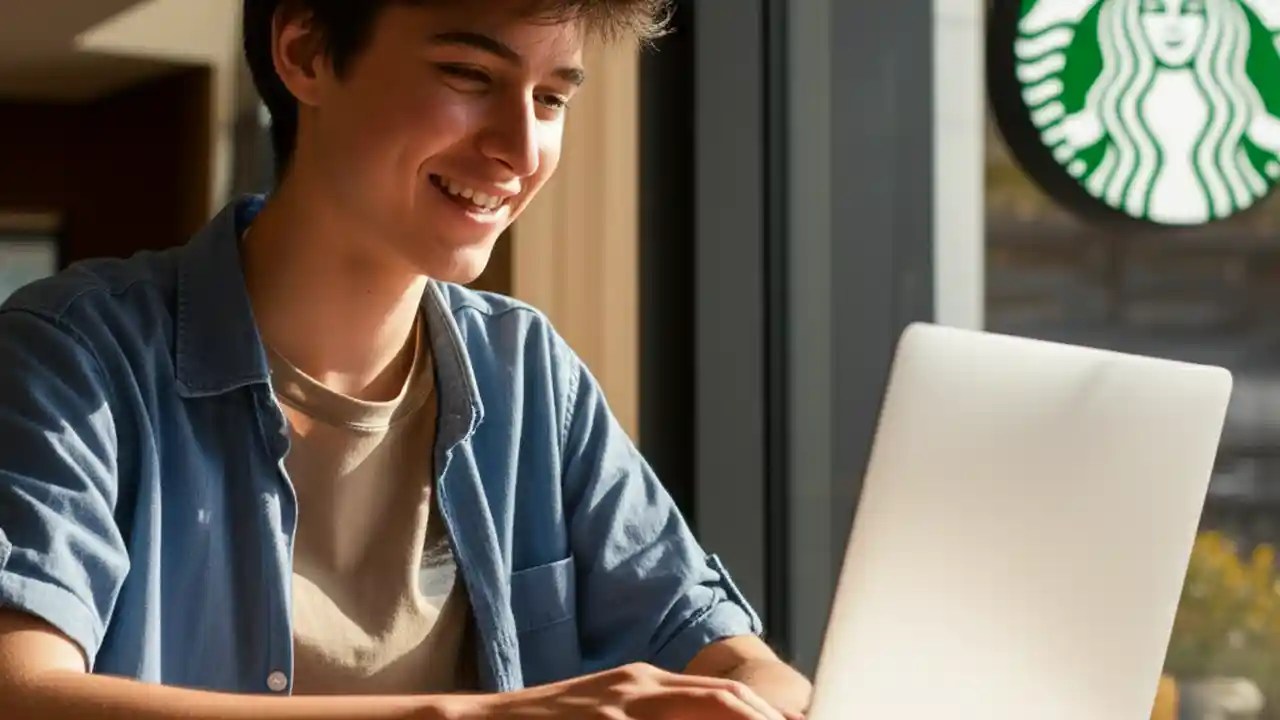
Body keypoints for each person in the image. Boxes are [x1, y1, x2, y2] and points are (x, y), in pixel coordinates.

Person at [0, 1, 812, 719]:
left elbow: (733, 657)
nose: (520, 150)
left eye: (551, 99)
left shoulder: (528, 372)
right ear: (305, 51)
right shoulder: (74, 354)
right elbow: (21, 694)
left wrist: (754, 700)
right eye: (469, 75)